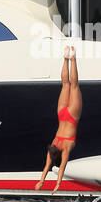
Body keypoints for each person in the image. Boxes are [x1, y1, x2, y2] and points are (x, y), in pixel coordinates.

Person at [36, 46, 82, 191]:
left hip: (72, 117)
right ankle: (65, 58)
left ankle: (73, 59)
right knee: (65, 85)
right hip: (62, 114)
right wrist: (41, 182)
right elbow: (46, 167)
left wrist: (58, 184)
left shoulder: (66, 148)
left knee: (74, 86)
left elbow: (62, 168)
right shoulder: (53, 146)